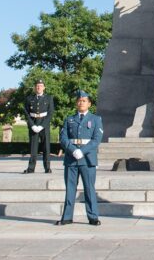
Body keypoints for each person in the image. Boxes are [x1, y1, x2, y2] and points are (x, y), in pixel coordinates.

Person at [56, 90, 103, 226]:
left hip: (87, 159)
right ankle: (67, 217)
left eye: (84, 101)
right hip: (71, 158)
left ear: (89, 103)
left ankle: (93, 216)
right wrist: (72, 150)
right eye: (79, 100)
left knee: (89, 189)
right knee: (70, 189)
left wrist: (82, 151)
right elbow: (63, 138)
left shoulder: (96, 119)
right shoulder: (69, 119)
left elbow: (96, 139)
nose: (81, 103)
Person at [23, 79, 54, 174]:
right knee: (33, 147)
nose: (38, 87)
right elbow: (26, 113)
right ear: (34, 87)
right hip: (33, 122)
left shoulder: (49, 98)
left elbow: (50, 113)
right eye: (37, 85)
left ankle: (47, 168)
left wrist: (42, 125)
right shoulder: (29, 98)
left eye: (40, 85)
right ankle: (31, 168)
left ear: (44, 87)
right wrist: (32, 125)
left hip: (44, 124)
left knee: (46, 147)